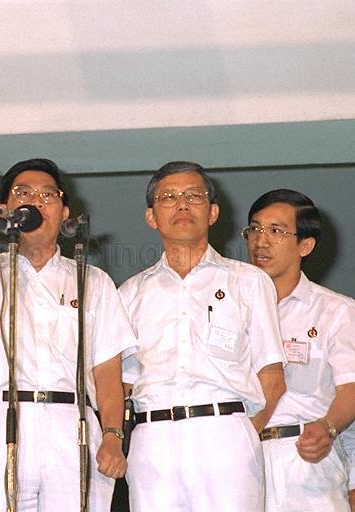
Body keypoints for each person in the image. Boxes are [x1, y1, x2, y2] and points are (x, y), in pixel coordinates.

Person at [0, 158, 137, 511]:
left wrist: (112, 436)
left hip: (72, 423)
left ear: (64, 213)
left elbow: (106, 372)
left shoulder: (93, 281)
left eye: (49, 194)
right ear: (5, 211)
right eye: (23, 193)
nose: (37, 201)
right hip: (0, 422)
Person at [118, 161, 286, 511]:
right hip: (153, 439)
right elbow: (122, 384)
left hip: (225, 435)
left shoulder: (248, 281)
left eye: (194, 196)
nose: (182, 204)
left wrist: (237, 431)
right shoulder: (130, 292)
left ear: (212, 212)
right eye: (169, 197)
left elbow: (272, 376)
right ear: (151, 216)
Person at [243, 188, 355, 511]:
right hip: (243, 462)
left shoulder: (336, 311)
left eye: (275, 231)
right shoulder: (231, 309)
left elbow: (350, 389)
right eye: (255, 228)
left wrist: (328, 427)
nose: (260, 241)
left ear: (305, 245)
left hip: (308, 459)